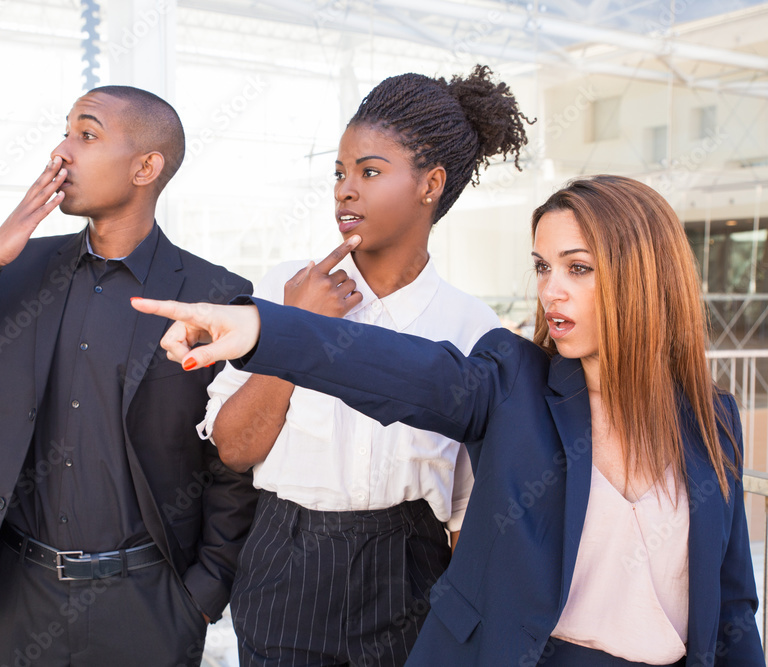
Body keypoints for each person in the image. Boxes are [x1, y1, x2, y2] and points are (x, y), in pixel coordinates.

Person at [132, 175, 764, 666]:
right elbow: (404, 372)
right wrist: (263, 328)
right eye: (544, 267)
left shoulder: (713, 421)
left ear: (644, 277)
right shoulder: (513, 382)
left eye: (578, 268)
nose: (552, 291)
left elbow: (732, 601)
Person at [0, 85, 258, 667]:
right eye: (64, 132)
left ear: (145, 167)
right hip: (18, 595)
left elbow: (229, 459)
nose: (61, 152)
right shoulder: (11, 273)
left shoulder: (213, 297)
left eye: (86, 134)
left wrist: (204, 593)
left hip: (148, 606)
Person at [198, 66, 529, 666]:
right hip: (286, 562)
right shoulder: (284, 292)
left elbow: (469, 512)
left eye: (370, 172)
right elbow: (235, 449)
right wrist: (298, 332)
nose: (345, 190)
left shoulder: (472, 330)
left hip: (411, 571)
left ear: (430, 184)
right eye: (340, 172)